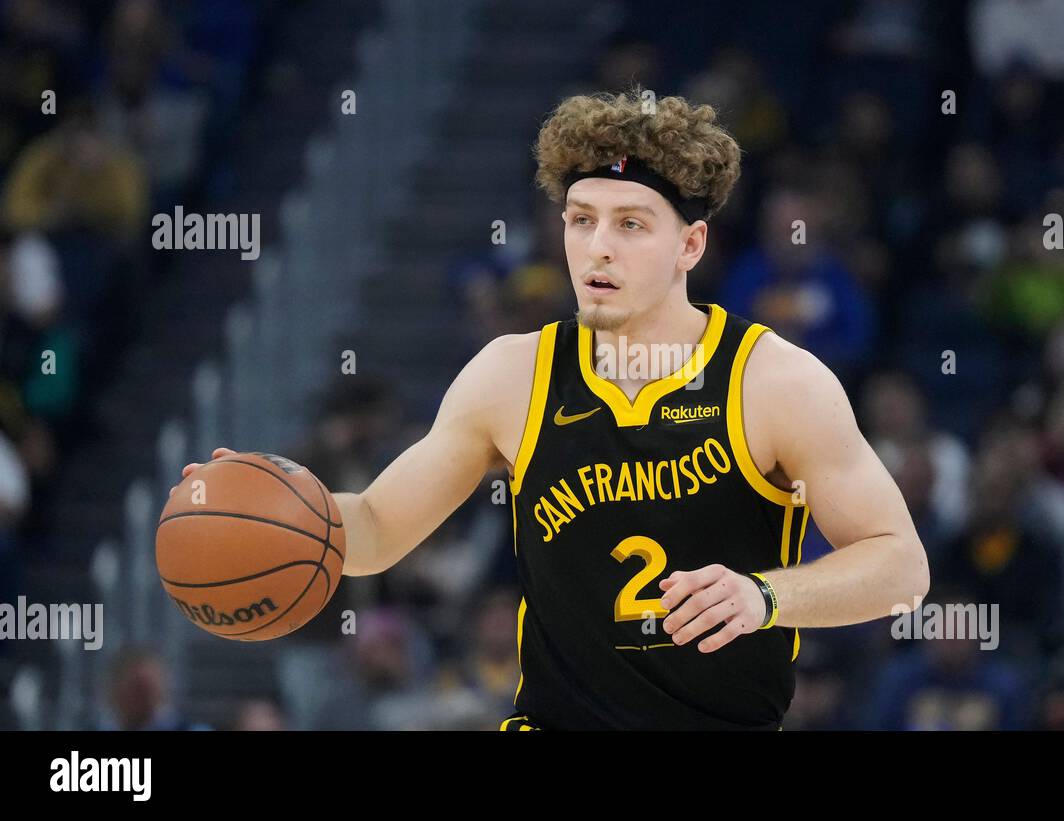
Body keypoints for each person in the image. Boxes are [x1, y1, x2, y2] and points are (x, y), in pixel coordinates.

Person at [175, 89, 929, 731]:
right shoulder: (512, 375)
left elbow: (902, 566)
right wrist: (265, 496)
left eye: (631, 223)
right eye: (580, 219)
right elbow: (371, 528)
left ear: (690, 244)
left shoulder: (774, 381)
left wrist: (765, 595)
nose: (597, 247)